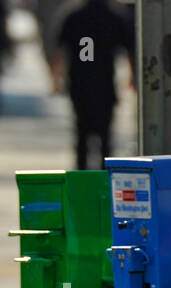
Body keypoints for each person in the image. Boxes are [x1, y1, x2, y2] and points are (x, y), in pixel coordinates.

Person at [51, 0, 133, 170]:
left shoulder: (73, 16)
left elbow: (59, 49)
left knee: (82, 131)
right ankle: (104, 174)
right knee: (105, 135)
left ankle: (82, 173)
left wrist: (55, 79)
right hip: (104, 84)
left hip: (79, 84)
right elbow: (129, 48)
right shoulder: (114, 16)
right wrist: (131, 77)